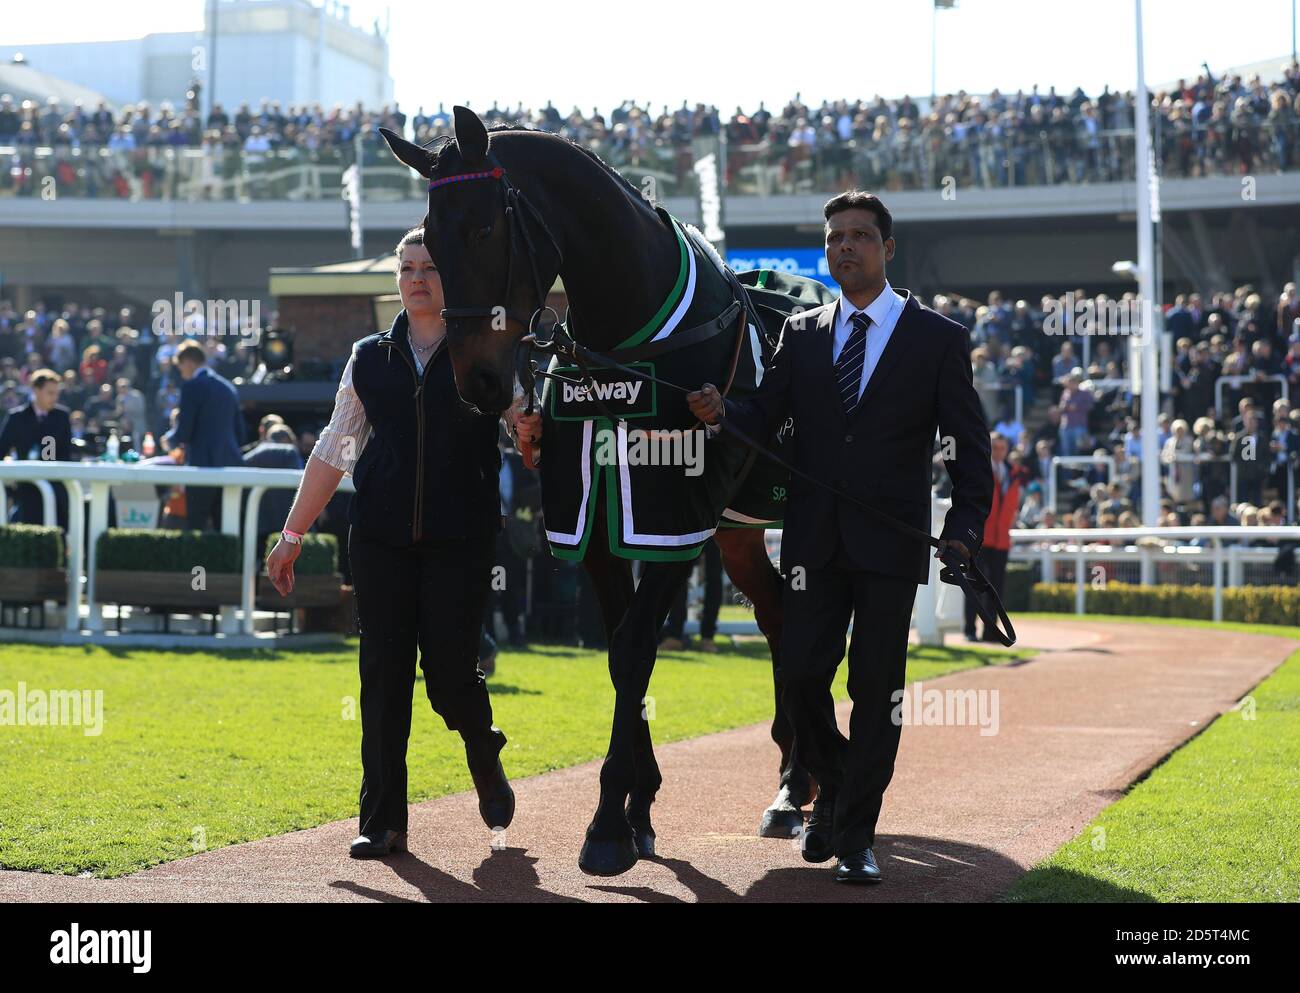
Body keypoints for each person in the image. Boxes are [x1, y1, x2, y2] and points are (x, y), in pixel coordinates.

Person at [686, 190, 993, 884]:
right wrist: (718, 410)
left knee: (876, 686)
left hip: (892, 542)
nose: (844, 246)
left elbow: (971, 448)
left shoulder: (939, 338)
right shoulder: (802, 331)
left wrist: (965, 529)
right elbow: (761, 417)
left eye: (858, 235)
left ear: (887, 248)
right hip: (814, 542)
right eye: (835, 237)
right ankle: (835, 784)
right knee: (798, 673)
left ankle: (852, 832)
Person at [266, 226, 524, 859]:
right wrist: (292, 533)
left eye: (430, 267)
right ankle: (383, 821)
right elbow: (336, 448)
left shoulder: (484, 350)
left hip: (458, 541)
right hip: (378, 537)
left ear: (451, 278)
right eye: (407, 267)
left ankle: (482, 749)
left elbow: (525, 427)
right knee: (381, 677)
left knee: (448, 678)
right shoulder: (368, 357)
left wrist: (535, 432)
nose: (416, 277)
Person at [162, 339, 245, 530]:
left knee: (196, 526)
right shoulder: (228, 388)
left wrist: (170, 440)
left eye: (180, 366)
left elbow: (184, 432)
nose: (181, 372)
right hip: (230, 466)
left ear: (189, 362)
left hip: (202, 466)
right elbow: (240, 433)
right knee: (227, 528)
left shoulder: (192, 387)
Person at [965, 432, 1022, 641]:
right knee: (973, 585)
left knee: (996, 588)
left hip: (1001, 540)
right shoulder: (981, 469)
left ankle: (990, 633)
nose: (999, 452)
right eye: (995, 447)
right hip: (981, 538)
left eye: (1002, 448)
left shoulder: (1013, 473)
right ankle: (969, 629)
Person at [0, 368, 73, 525]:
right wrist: (11, 491)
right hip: (26, 493)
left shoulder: (62, 417)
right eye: (50, 393)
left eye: (56, 393)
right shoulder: (16, 418)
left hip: (55, 492)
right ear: (36, 390)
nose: (55, 398)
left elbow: (66, 455)